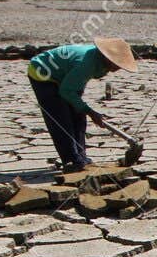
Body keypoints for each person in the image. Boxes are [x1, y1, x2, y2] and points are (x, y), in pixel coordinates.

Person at [27, 37, 137, 173]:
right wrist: (90, 111)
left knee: (78, 116)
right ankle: (71, 161)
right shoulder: (86, 63)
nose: (118, 68)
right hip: (42, 73)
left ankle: (81, 157)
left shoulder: (99, 63)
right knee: (61, 119)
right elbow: (66, 91)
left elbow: (74, 85)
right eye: (117, 64)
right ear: (108, 58)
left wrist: (83, 109)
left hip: (65, 76)